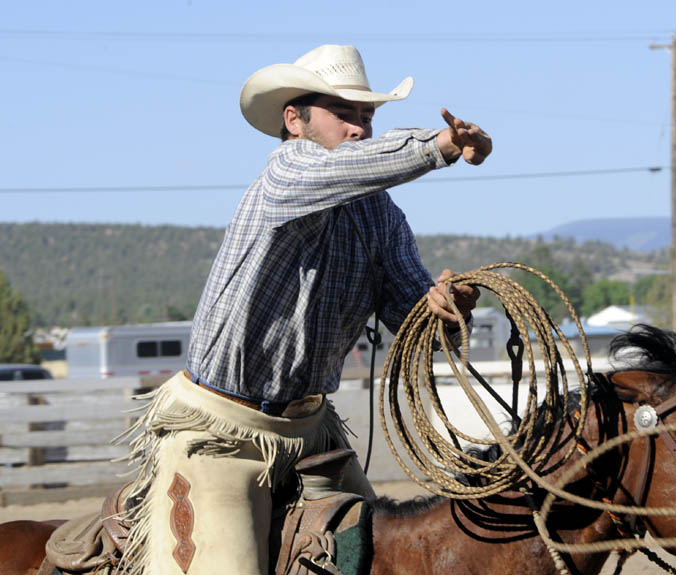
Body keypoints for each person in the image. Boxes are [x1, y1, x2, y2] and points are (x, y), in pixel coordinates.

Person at [116, 44, 490, 575]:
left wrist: (445, 312)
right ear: (294, 121)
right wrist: (442, 144)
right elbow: (352, 168)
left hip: (312, 432)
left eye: (367, 116)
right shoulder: (286, 175)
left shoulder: (381, 216)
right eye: (343, 113)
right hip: (222, 435)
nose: (358, 128)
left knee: (391, 561)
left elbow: (415, 327)